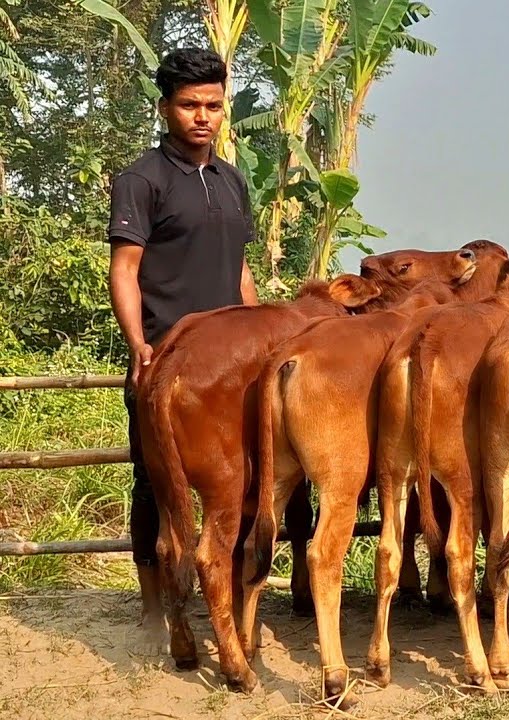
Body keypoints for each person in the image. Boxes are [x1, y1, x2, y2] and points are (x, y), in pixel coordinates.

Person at [106, 47, 259, 645]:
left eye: (214, 105)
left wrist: (262, 331)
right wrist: (139, 343)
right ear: (166, 107)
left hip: (235, 363)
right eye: (190, 104)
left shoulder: (232, 179)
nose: (203, 116)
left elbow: (240, 268)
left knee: (243, 479)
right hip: (166, 359)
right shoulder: (142, 179)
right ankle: (153, 607)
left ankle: (231, 604)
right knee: (155, 482)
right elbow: (125, 268)